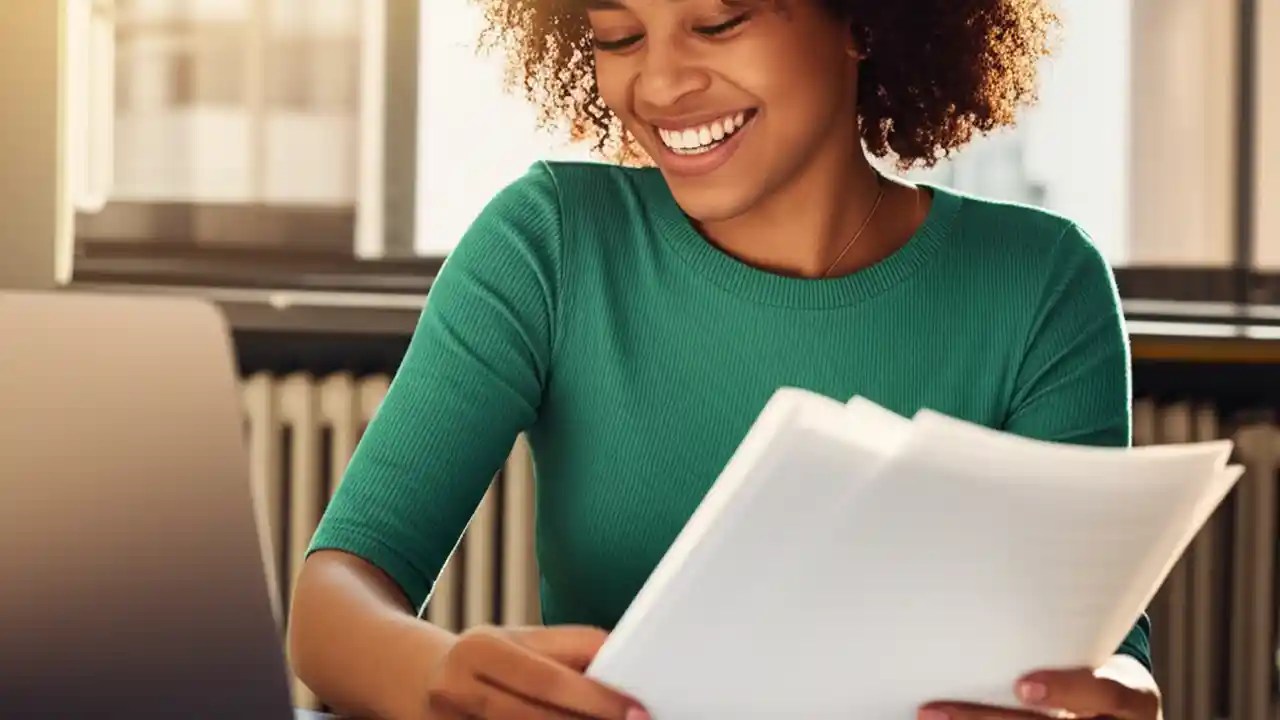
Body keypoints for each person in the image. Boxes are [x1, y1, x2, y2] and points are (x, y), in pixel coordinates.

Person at [287, 0, 1162, 718]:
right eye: (618, 36)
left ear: (861, 19)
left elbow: (1106, 661)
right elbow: (332, 606)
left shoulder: (1042, 284)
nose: (660, 82)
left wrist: (1115, 699)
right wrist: (436, 677)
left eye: (719, 22)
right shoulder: (551, 243)